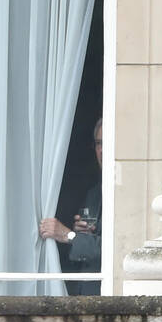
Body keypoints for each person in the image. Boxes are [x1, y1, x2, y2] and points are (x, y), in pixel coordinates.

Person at [38, 118, 103, 295]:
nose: (103, 150)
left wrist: (70, 235)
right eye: (98, 143)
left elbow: (116, 249)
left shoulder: (128, 193)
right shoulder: (94, 192)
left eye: (107, 142)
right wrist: (82, 233)